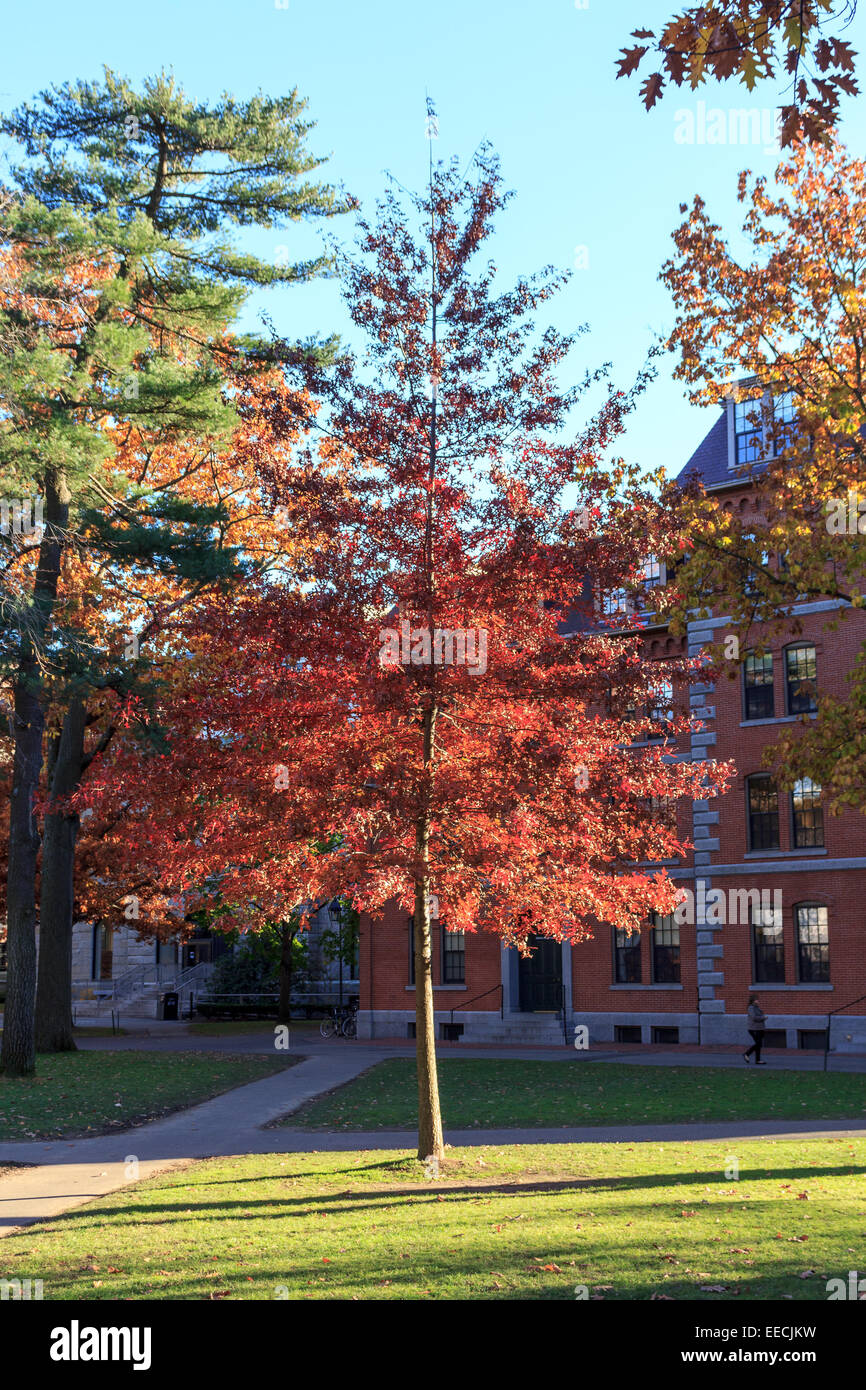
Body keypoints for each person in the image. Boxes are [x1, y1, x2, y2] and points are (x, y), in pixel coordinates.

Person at [744, 995, 767, 1064]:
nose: (758, 1001)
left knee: (758, 1044)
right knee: (758, 1043)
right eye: (756, 999)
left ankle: (758, 1060)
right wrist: (763, 1017)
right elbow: (754, 1017)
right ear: (753, 1000)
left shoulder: (757, 1008)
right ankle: (747, 1054)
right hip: (754, 1029)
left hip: (760, 1028)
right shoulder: (751, 1008)